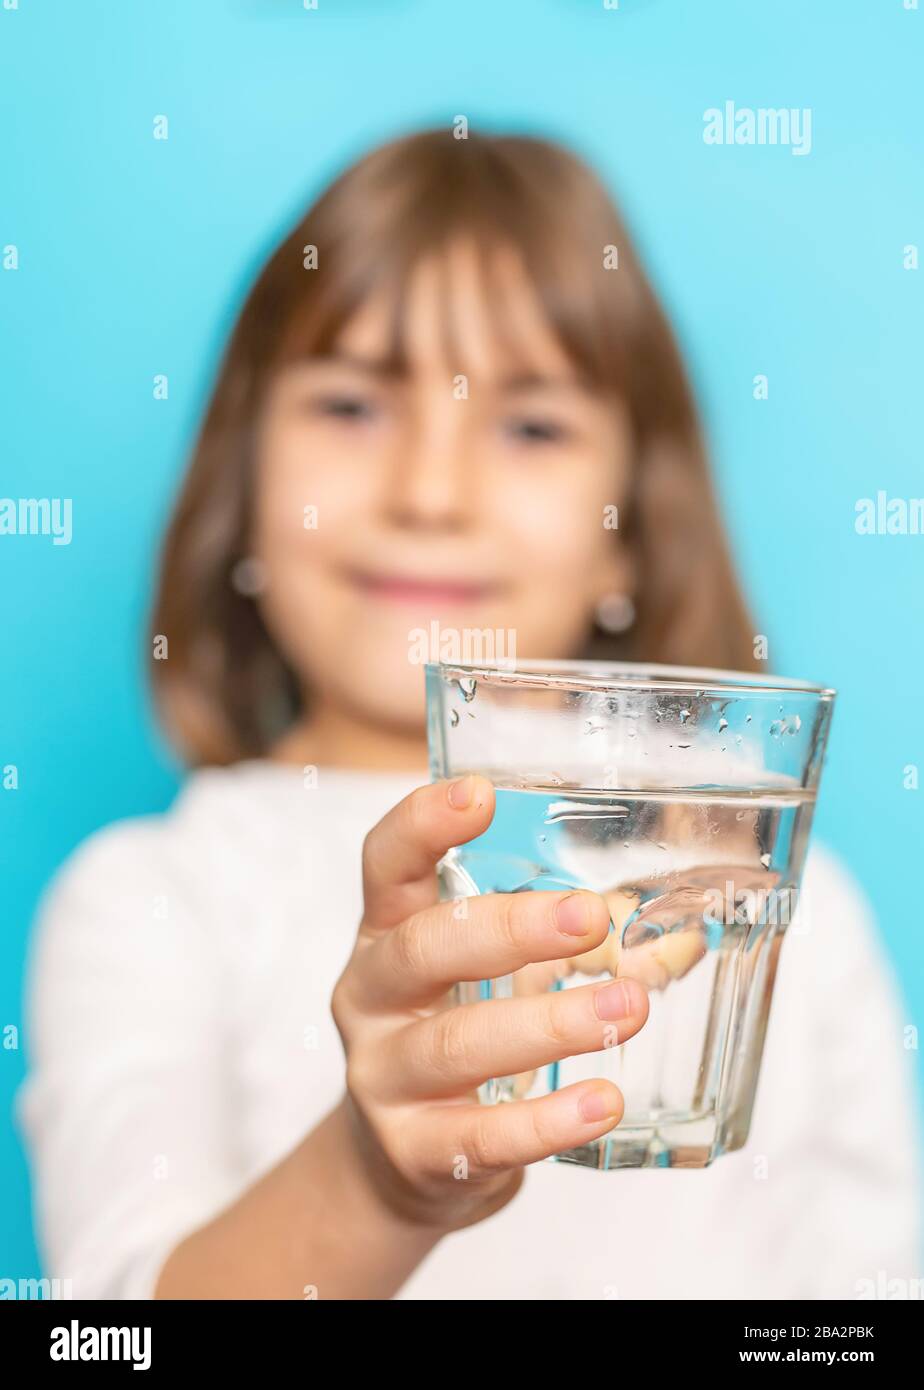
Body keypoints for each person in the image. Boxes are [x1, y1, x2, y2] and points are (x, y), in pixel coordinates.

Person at [17, 129, 921, 1300]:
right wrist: (378, 1182)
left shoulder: (798, 912)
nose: (431, 493)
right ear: (238, 493)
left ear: (630, 539)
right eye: (351, 405)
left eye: (531, 425)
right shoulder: (148, 899)